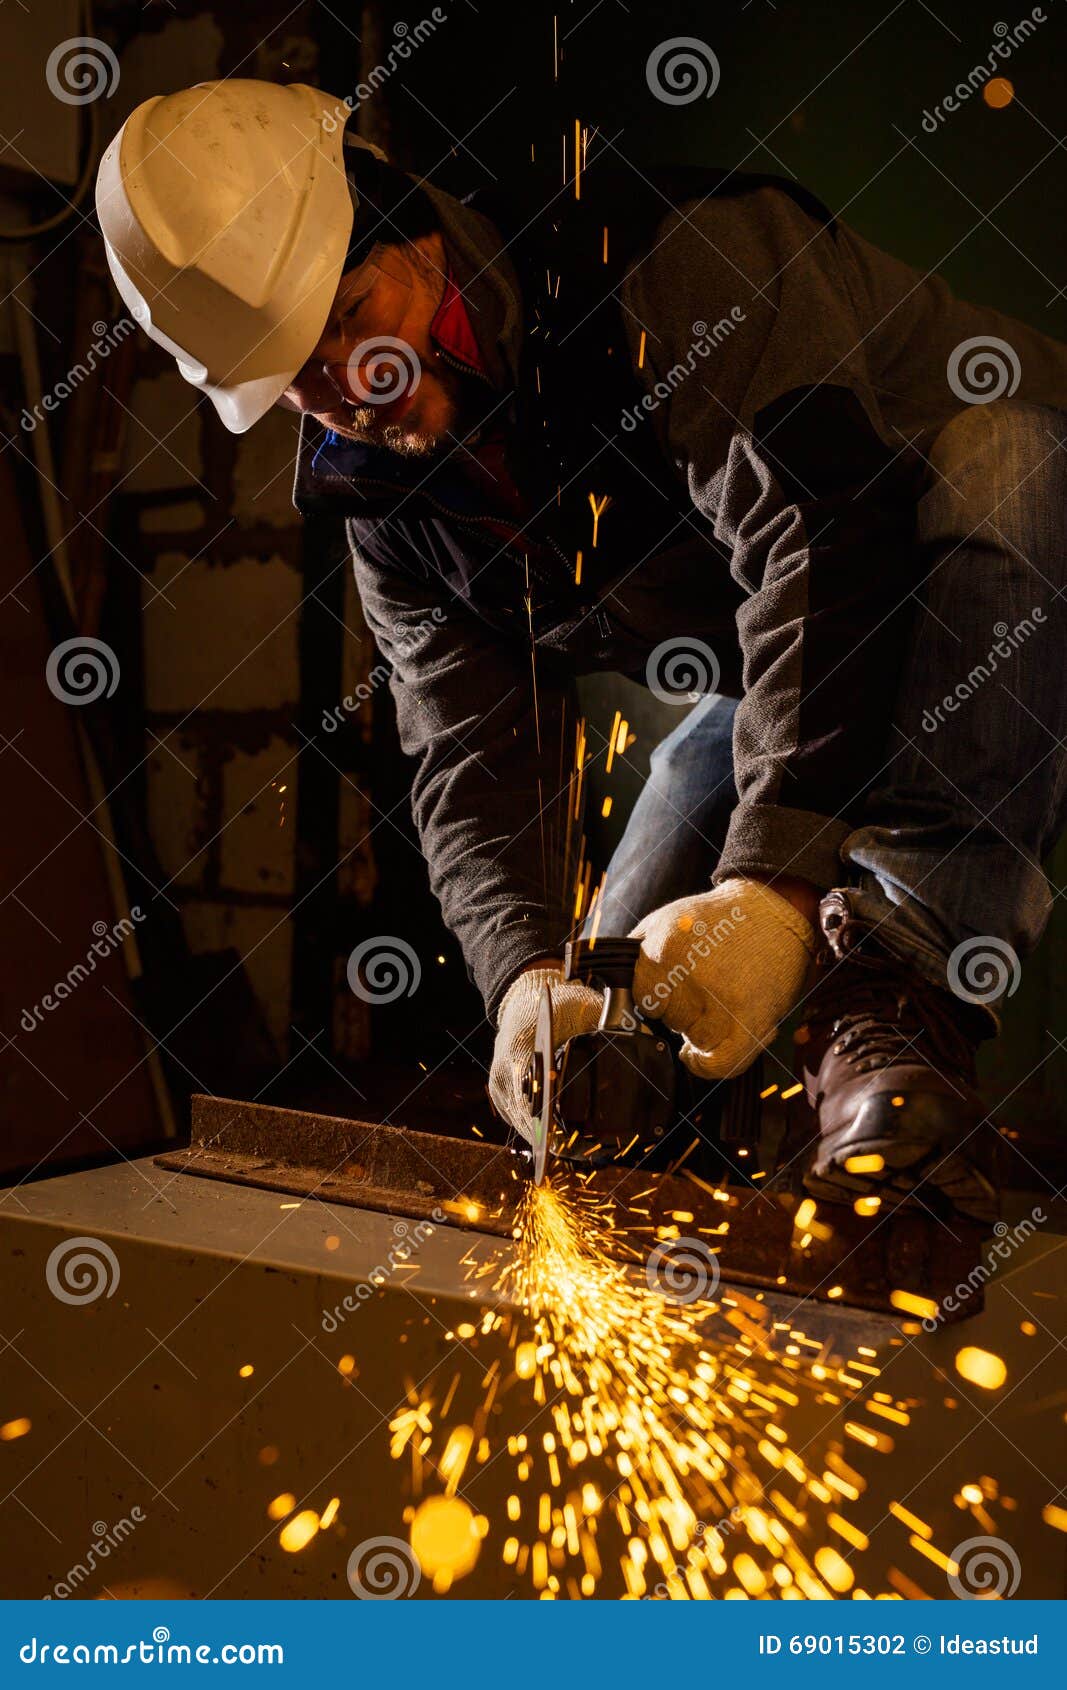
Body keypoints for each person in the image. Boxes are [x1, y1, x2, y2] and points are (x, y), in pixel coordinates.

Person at [98, 79, 1067, 1220]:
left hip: (1009, 580)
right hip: (800, 664)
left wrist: (772, 887)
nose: (349, 387)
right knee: (607, 1016)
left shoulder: (672, 263)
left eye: (353, 315)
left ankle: (899, 1015)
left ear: (413, 230)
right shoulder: (388, 508)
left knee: (1008, 454)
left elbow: (822, 537)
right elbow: (467, 753)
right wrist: (523, 979)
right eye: (297, 378)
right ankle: (709, 1185)